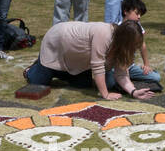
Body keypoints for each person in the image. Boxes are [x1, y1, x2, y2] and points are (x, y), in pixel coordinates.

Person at [24, 20, 154, 100]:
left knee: (83, 84)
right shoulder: (104, 34)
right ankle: (33, 69)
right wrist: (106, 94)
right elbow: (97, 66)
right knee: (38, 84)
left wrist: (133, 92)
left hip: (75, 56)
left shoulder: (121, 47)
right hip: (57, 41)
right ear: (125, 41)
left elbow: (121, 73)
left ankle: (58, 71)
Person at [121, 0, 160, 87]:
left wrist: (146, 64)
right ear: (126, 11)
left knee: (156, 77)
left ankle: (127, 78)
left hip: (130, 67)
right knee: (110, 84)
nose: (139, 17)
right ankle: (124, 79)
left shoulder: (138, 27)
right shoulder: (118, 29)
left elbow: (142, 45)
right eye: (137, 13)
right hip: (117, 67)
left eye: (140, 14)